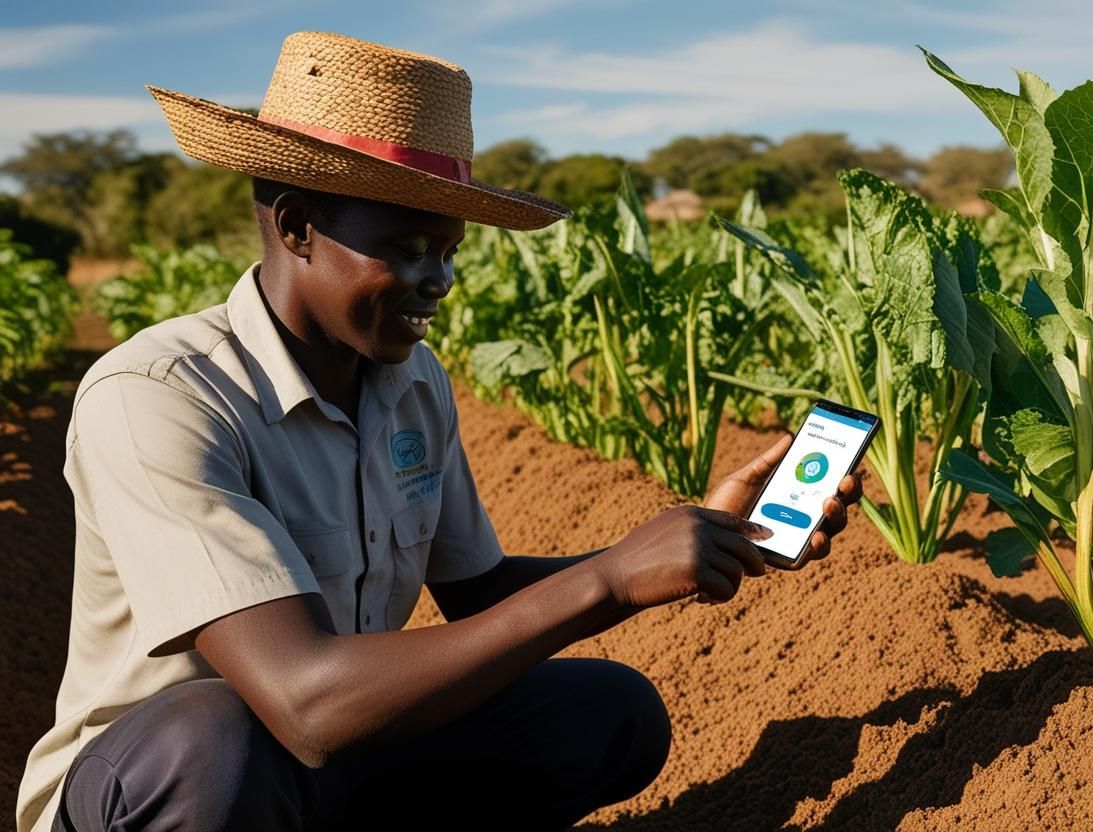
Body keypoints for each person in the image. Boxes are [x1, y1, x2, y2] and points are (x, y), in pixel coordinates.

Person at [15, 31, 862, 832]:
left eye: (450, 251)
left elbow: (483, 594)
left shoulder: (411, 380)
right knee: (216, 740)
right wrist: (606, 578)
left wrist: (694, 542)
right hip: (182, 782)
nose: (440, 280)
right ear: (297, 225)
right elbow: (303, 702)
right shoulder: (159, 395)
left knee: (608, 715)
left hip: (338, 749)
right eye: (412, 247)